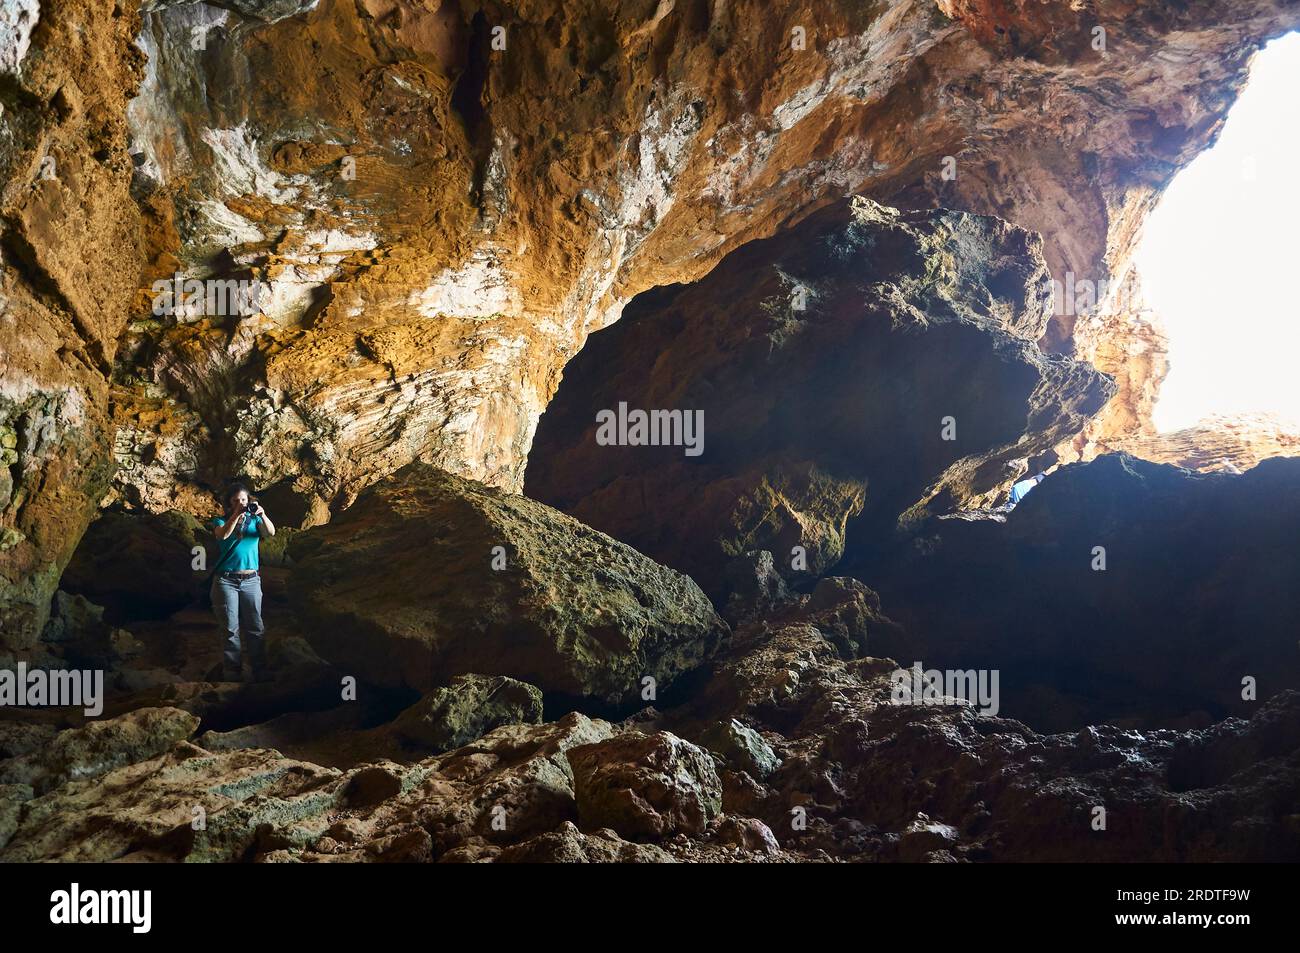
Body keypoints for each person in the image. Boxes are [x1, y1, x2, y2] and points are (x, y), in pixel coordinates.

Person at [210, 482, 276, 682]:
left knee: (255, 626)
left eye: (244, 500)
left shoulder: (255, 521)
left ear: (250, 501)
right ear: (229, 504)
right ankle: (233, 672)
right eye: (236, 500)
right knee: (230, 628)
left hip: (251, 581)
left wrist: (262, 514)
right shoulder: (219, 521)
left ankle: (260, 669)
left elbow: (271, 533)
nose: (241, 503)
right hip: (226, 581)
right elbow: (223, 536)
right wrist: (236, 515)